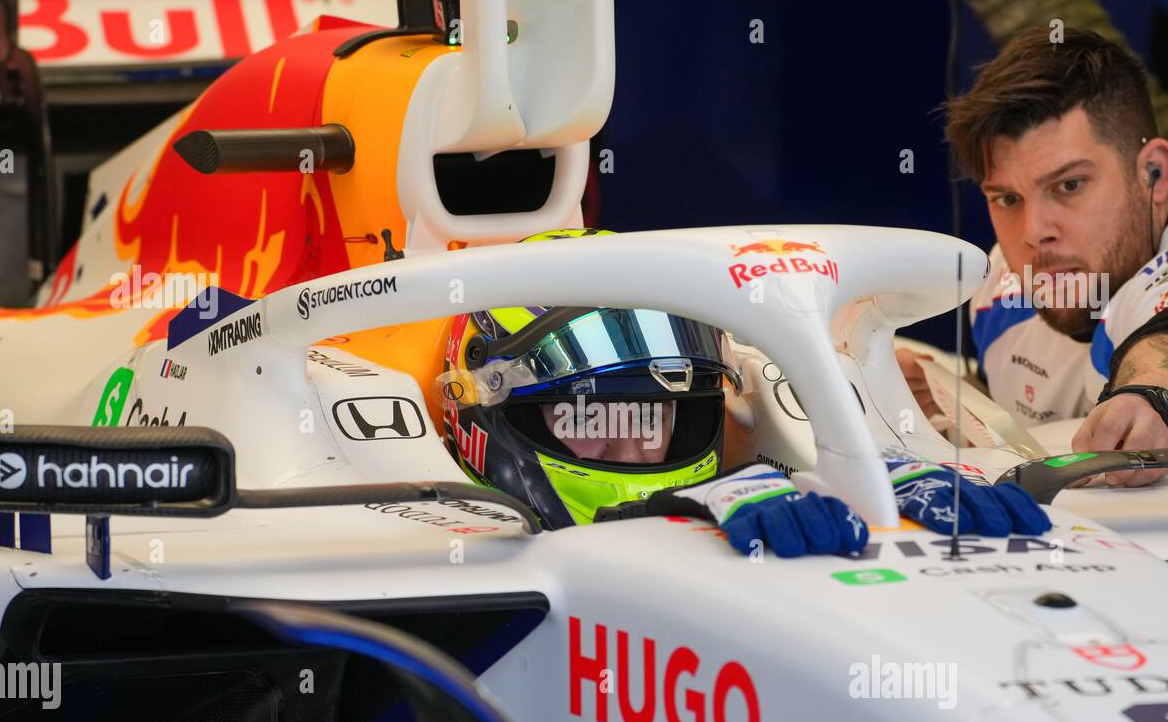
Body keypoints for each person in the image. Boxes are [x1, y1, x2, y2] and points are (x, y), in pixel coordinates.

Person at [438, 229, 1051, 557]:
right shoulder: (431, 563)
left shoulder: (770, 520)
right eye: (594, 419)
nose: (633, 445)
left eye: (660, 422)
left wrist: (882, 511)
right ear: (483, 415)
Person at [902, 27, 1168, 487]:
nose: (1034, 233)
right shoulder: (1003, 283)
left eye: (1069, 185)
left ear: (1154, 174)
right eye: (1007, 198)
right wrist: (949, 397)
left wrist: (1155, 400)